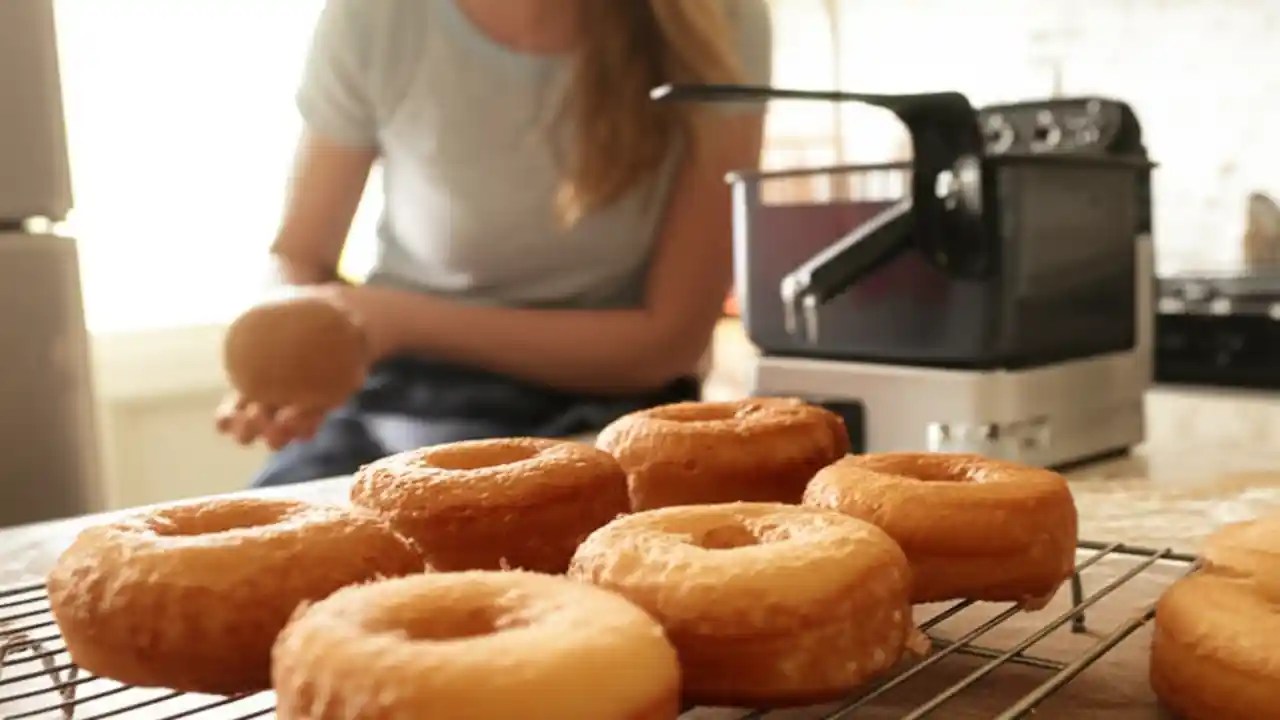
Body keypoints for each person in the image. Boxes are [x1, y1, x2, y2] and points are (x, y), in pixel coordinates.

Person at [215, 0, 774, 487]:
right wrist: (291, 346)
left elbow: (668, 342)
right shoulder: (376, 15)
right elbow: (300, 256)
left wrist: (396, 321)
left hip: (611, 411)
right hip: (395, 397)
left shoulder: (718, 18)